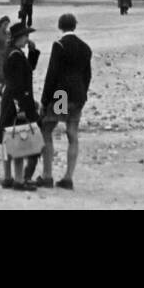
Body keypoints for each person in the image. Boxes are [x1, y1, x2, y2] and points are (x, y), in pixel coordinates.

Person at [37, 12, 92, 191]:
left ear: (60, 26)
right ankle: (68, 177)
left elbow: (52, 74)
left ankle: (47, 175)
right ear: (74, 26)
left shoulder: (59, 45)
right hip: (78, 94)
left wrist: (45, 100)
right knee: (72, 133)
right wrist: (83, 93)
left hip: (62, 94)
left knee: (47, 128)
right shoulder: (85, 48)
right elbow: (87, 75)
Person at [0, 22, 41, 191]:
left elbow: (28, 69)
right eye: (26, 36)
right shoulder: (15, 55)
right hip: (17, 101)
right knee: (19, 138)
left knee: (7, 138)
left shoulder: (14, 53)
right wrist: (21, 108)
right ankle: (19, 180)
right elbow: (17, 84)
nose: (27, 39)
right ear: (18, 38)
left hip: (11, 100)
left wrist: (33, 51)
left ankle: (8, 177)